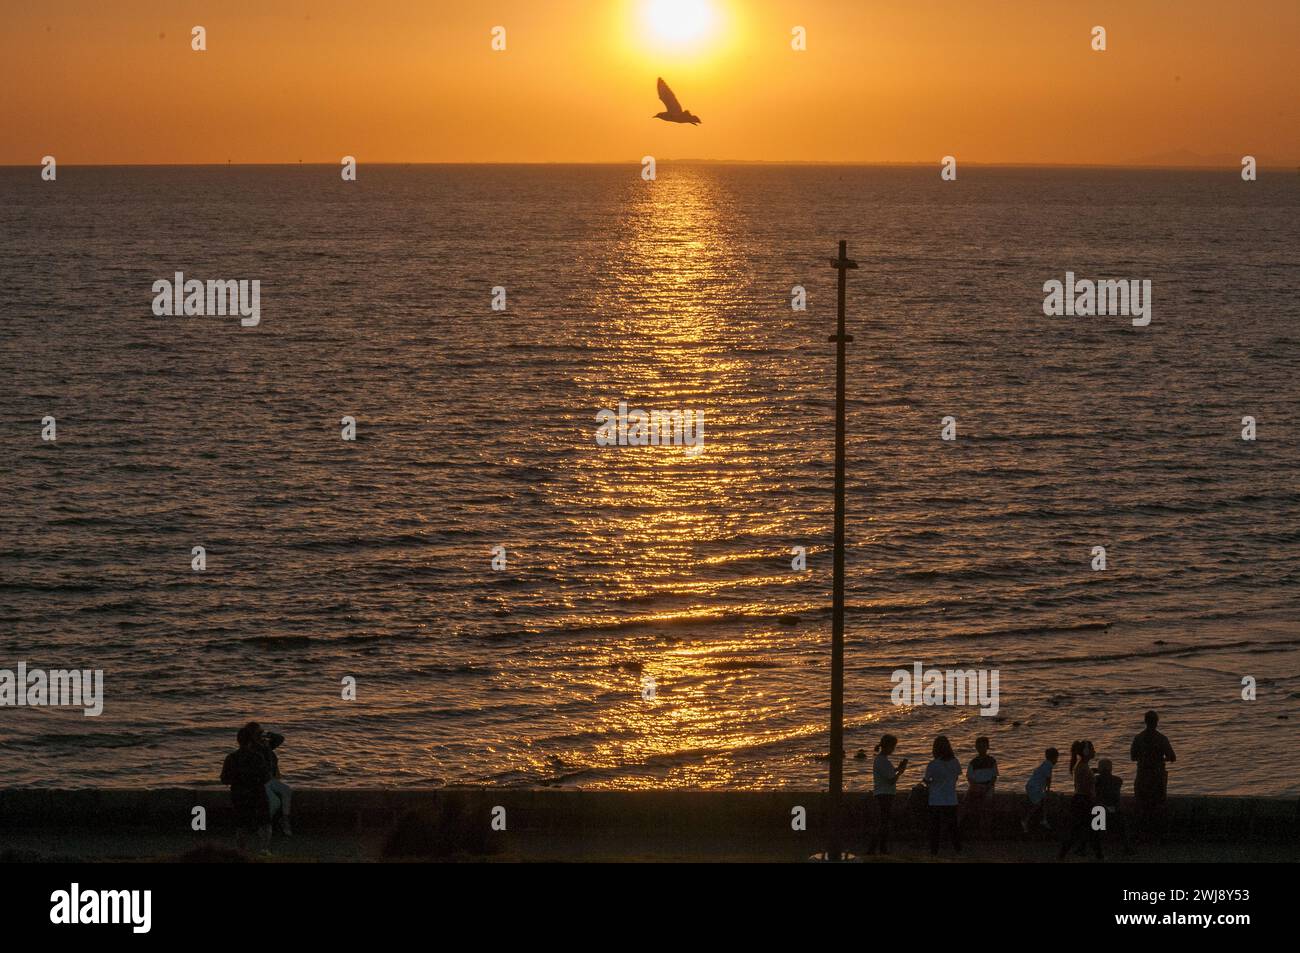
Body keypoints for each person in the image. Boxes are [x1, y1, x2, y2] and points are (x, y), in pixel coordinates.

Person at [220, 723, 272, 853]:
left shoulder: (231, 758)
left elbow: (224, 779)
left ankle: (241, 851)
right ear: (251, 740)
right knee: (264, 823)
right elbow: (266, 777)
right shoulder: (257, 757)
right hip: (257, 794)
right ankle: (263, 850)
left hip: (239, 795)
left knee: (241, 825)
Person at [1130, 710, 1176, 843]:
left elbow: (1133, 757)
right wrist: (1162, 759)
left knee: (1141, 806)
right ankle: (1159, 836)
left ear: (1145, 721)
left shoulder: (1138, 738)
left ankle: (1140, 835)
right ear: (1157, 722)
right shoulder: (1162, 739)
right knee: (1158, 806)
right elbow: (1172, 757)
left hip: (1142, 776)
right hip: (1157, 776)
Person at [1057, 740, 1103, 861]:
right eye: (1092, 749)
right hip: (1084, 801)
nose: (1094, 751)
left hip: (1081, 801)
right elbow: (1087, 787)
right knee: (1090, 829)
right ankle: (1099, 856)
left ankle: (1066, 854)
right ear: (1087, 752)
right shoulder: (1082, 767)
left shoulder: (1082, 765)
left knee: (1080, 831)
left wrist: (1093, 773)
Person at [249, 722, 292, 836]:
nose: (260, 734)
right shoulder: (252, 748)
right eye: (258, 732)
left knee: (286, 791)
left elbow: (280, 739)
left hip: (271, 779)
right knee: (275, 802)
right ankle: (263, 824)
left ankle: (285, 819)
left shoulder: (266, 745)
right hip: (260, 782)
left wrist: (268, 734)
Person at [923, 735, 962, 856]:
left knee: (935, 827)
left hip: (935, 799)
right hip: (951, 798)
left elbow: (926, 780)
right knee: (953, 826)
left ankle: (934, 851)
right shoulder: (955, 762)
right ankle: (957, 849)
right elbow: (956, 777)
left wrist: (931, 784)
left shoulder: (933, 764)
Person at [869, 734, 908, 855]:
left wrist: (897, 769)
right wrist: (900, 772)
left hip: (884, 793)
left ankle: (879, 848)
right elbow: (891, 780)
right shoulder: (882, 761)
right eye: (893, 747)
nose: (894, 749)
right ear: (889, 746)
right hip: (884, 794)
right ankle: (878, 848)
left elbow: (888, 774)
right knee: (883, 823)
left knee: (884, 822)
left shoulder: (882, 760)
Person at [1095, 758, 1133, 854]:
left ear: (1099, 769)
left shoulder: (1096, 780)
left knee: (1097, 825)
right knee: (1123, 824)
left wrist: (1095, 771)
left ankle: (1097, 847)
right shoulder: (1118, 780)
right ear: (1111, 769)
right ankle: (1127, 847)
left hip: (1100, 808)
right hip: (1115, 809)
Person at [963, 736, 998, 838]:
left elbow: (994, 777)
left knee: (987, 807)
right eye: (979, 746)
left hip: (988, 786)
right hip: (976, 786)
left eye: (983, 746)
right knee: (965, 803)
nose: (981, 748)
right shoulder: (973, 762)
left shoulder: (992, 761)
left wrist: (987, 787)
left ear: (987, 747)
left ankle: (986, 830)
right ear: (976, 747)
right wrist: (975, 786)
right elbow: (969, 778)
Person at [1022, 747, 1059, 832]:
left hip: (1034, 787)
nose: (1057, 761)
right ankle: (1025, 820)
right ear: (1053, 758)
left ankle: (1044, 819)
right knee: (1038, 804)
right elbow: (1048, 780)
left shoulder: (1045, 764)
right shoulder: (1048, 765)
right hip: (1034, 788)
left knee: (1044, 801)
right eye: (1056, 758)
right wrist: (1048, 791)